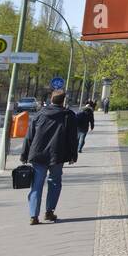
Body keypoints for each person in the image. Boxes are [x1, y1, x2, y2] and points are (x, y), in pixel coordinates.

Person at [19, 90, 78, 225]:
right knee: (55, 182)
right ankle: (49, 211)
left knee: (36, 185)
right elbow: (72, 138)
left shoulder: (39, 114)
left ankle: (33, 216)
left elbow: (29, 136)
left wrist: (24, 154)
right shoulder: (68, 115)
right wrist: (73, 155)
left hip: (38, 154)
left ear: (51, 99)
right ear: (63, 101)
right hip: (57, 154)